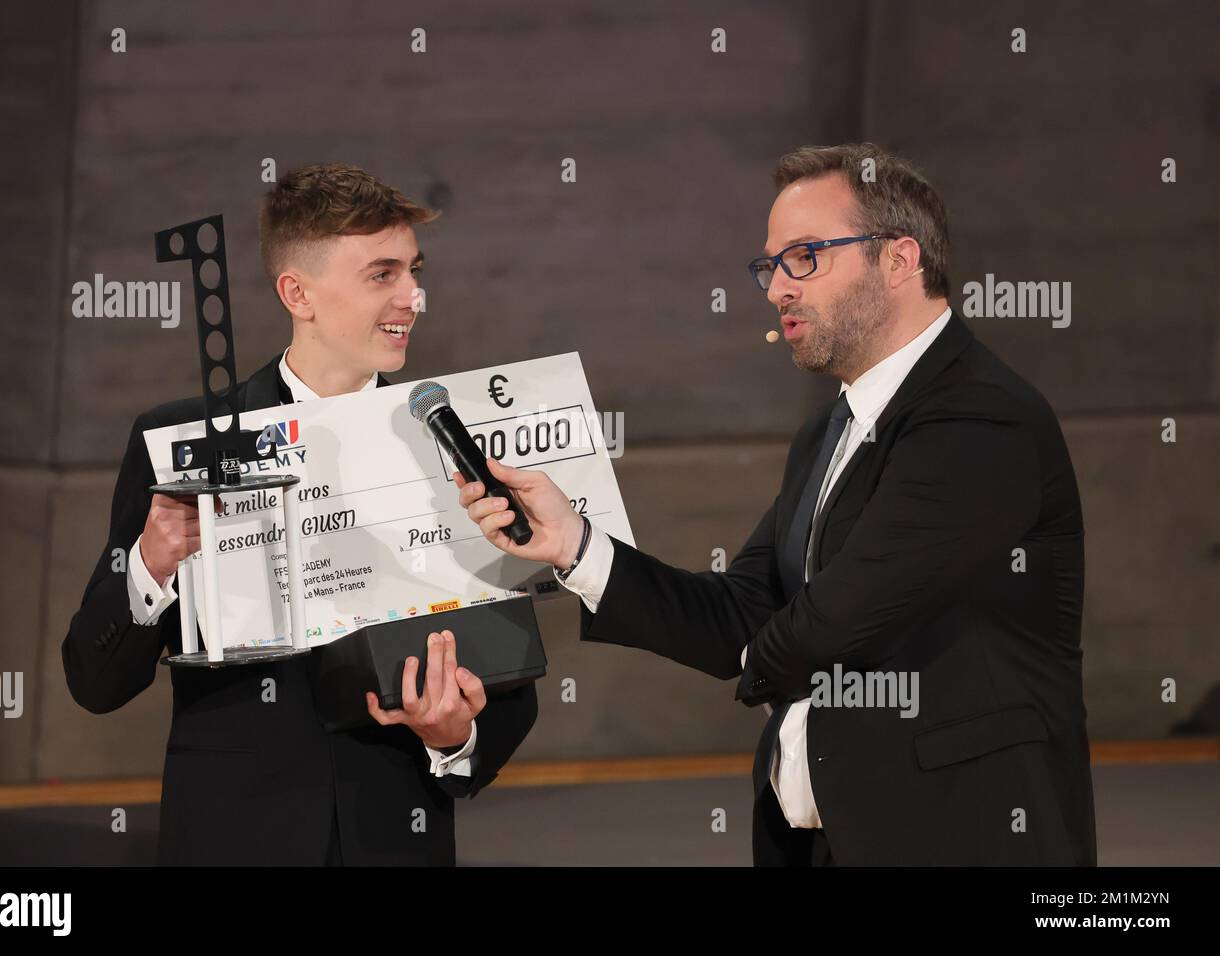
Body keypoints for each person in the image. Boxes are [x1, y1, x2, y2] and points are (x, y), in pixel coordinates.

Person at [453, 143, 1095, 866]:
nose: (777, 288)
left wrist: (754, 662)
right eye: (771, 265)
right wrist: (573, 544)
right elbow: (740, 612)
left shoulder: (980, 416)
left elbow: (837, 620)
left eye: (807, 256)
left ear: (900, 260)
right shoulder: (830, 432)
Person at [63, 163, 537, 865]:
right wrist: (150, 565)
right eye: (383, 274)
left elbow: (510, 680)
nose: (413, 295)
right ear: (298, 293)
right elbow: (93, 681)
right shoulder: (182, 445)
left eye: (414, 270)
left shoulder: (455, 442)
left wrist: (453, 739)